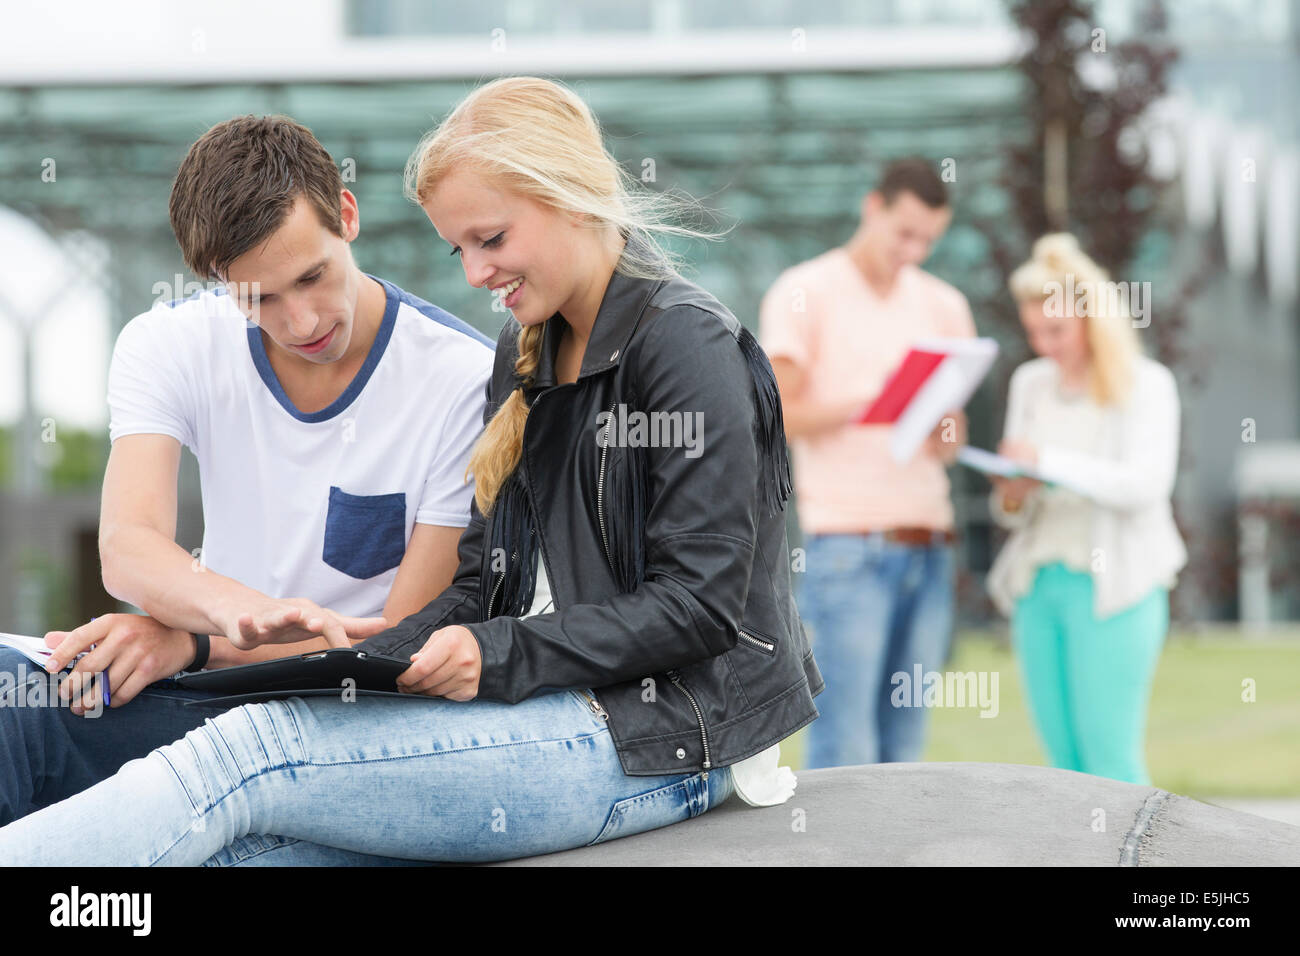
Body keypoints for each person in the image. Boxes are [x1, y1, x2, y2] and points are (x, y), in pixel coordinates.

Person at [0, 75, 823, 866]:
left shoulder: (685, 341)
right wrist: (337, 664)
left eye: (490, 239)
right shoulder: (527, 349)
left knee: (248, 754)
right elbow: (474, 591)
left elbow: (701, 606)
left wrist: (494, 652)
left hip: (673, 741)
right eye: (460, 246)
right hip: (567, 708)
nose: (474, 273)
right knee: (237, 841)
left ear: (571, 192)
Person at [0, 114, 494, 824]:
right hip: (208, 695)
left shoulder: (464, 381)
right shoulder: (167, 344)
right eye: (258, 299)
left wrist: (194, 642)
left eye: (312, 277)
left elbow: (399, 638)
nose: (299, 322)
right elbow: (129, 547)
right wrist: (230, 619)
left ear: (346, 215)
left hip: (344, 721)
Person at [759, 157, 974, 769]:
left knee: (906, 754)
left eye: (929, 240)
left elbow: (954, 439)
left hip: (930, 545)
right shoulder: (807, 291)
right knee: (847, 751)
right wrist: (877, 401)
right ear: (872, 208)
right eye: (904, 233)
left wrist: (942, 424)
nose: (913, 251)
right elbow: (779, 415)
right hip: (849, 550)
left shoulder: (944, 305)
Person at [986, 233, 1187, 786]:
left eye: (1056, 330)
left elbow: (1144, 487)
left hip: (1115, 590)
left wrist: (1047, 460)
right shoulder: (1031, 384)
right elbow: (1011, 510)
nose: (1044, 345)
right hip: (1037, 589)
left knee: (1111, 762)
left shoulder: (1146, 386)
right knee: (1063, 773)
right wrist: (1014, 490)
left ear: (1092, 319)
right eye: (1032, 332)